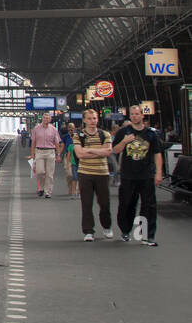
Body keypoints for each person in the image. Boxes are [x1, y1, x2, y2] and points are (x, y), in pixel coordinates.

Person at [111, 104, 163, 245]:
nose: (134, 116)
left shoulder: (151, 134)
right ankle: (126, 231)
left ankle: (146, 234)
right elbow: (115, 150)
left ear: (142, 115)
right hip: (128, 175)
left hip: (146, 175)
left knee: (149, 205)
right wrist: (125, 141)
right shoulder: (124, 132)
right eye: (132, 114)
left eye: (137, 114)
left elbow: (157, 153)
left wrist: (159, 172)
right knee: (127, 204)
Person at [73, 109, 113, 241]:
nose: (92, 121)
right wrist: (99, 151)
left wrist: (88, 149)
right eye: (89, 118)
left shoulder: (105, 134)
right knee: (86, 203)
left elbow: (108, 152)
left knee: (104, 203)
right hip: (85, 173)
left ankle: (107, 226)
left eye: (94, 118)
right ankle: (88, 231)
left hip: (102, 173)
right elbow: (79, 154)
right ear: (84, 120)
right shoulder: (78, 135)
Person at [30, 113, 62, 198]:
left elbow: (57, 142)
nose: (46, 119)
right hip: (39, 151)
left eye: (48, 118)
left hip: (50, 152)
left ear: (50, 119)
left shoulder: (54, 129)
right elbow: (33, 142)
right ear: (42, 119)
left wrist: (58, 154)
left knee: (49, 173)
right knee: (40, 171)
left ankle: (48, 192)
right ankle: (41, 188)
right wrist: (32, 154)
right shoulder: (36, 129)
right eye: (44, 118)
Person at [64, 123, 79, 198]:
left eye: (72, 128)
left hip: (78, 161)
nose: (71, 129)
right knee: (70, 175)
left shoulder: (78, 136)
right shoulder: (66, 137)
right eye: (69, 128)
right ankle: (71, 189)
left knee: (77, 177)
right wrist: (67, 163)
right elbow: (63, 145)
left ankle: (77, 191)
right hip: (70, 158)